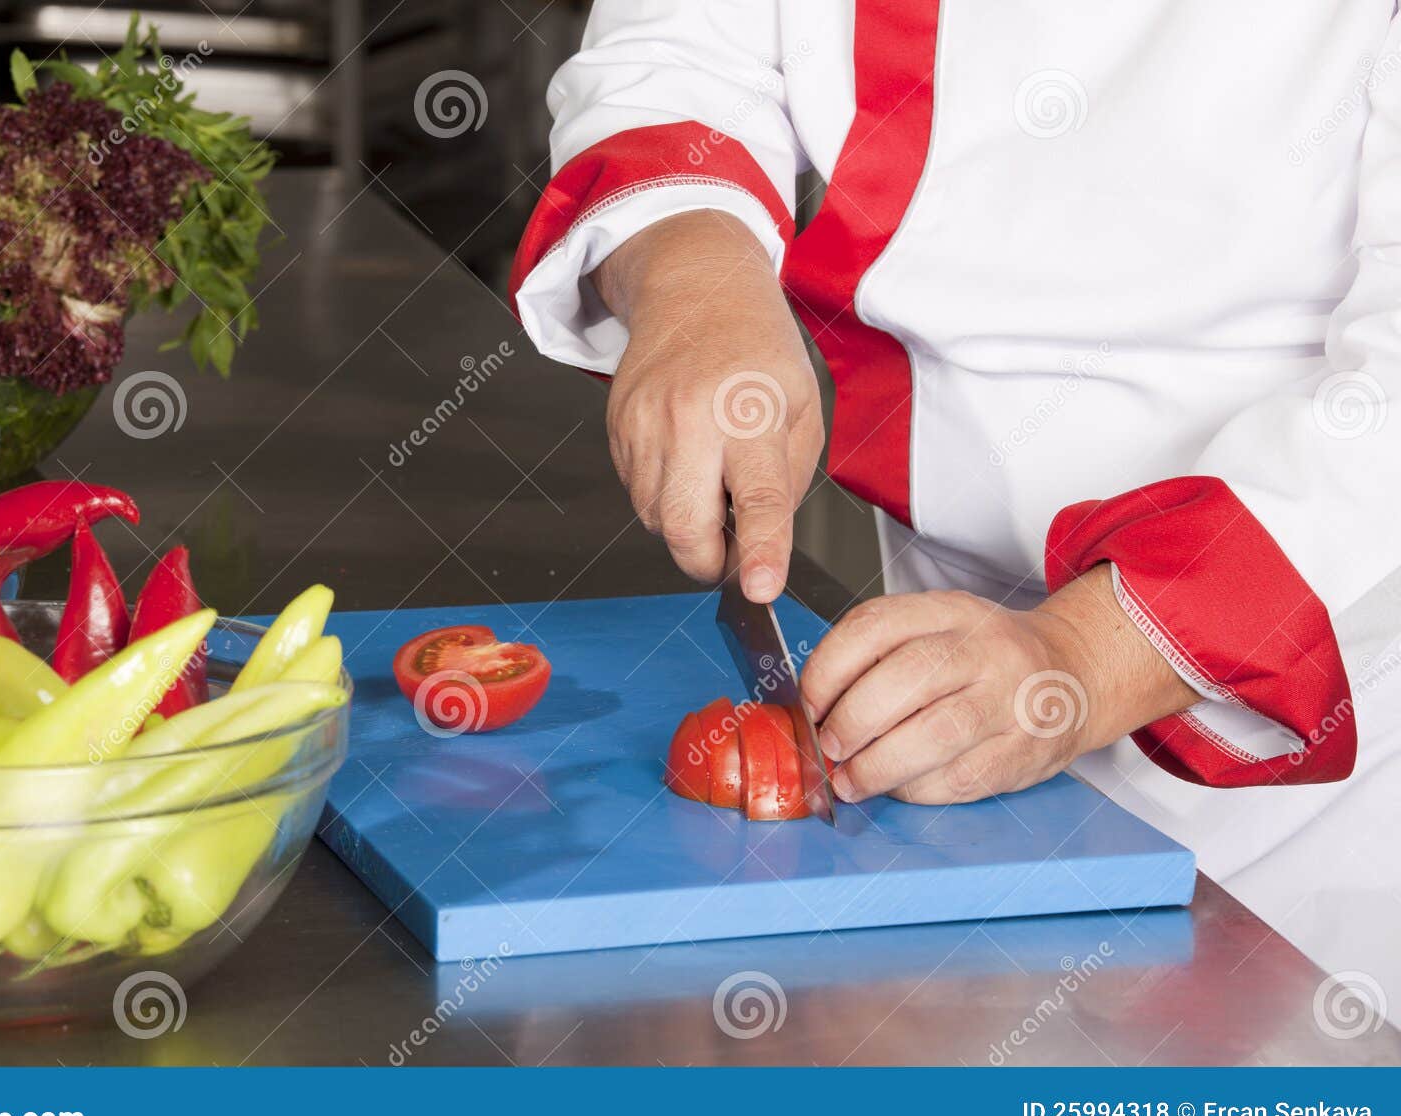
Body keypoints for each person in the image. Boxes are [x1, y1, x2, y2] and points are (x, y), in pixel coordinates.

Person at [509, 3, 1401, 1019]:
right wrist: (692, 269)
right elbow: (681, 44)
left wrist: (1085, 657)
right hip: (934, 691)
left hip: (1324, 745)